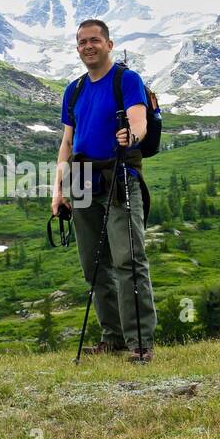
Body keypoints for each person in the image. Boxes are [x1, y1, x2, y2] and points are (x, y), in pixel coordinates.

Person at [51, 19, 158, 362]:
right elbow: (67, 141)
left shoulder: (126, 80)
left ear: (109, 44)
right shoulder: (75, 89)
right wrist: (58, 191)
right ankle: (112, 338)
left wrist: (132, 137)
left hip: (119, 176)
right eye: (82, 42)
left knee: (128, 260)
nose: (88, 46)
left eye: (94, 40)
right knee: (94, 266)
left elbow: (138, 121)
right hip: (80, 178)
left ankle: (139, 342)